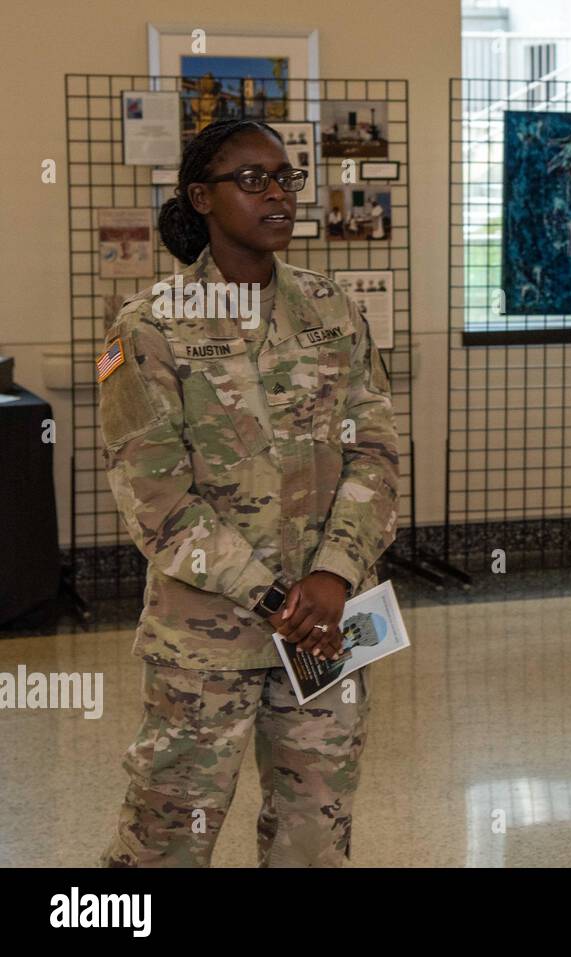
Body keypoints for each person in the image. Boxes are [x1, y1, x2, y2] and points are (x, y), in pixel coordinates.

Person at [97, 118, 400, 867]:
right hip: (207, 644)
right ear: (201, 197)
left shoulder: (333, 311)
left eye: (287, 178)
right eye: (253, 179)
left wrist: (332, 576)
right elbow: (159, 503)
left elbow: (377, 451)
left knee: (314, 838)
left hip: (330, 631)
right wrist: (279, 601)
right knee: (164, 841)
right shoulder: (150, 329)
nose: (278, 195)